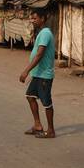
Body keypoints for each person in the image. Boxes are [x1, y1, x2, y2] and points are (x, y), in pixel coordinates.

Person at [19, 9, 56, 138]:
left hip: (44, 75)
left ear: (42, 19)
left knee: (47, 103)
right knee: (30, 96)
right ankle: (38, 125)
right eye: (31, 18)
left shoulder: (45, 33)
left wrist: (26, 71)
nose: (32, 21)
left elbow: (40, 54)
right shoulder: (41, 32)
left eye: (35, 18)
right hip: (38, 74)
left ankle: (50, 130)